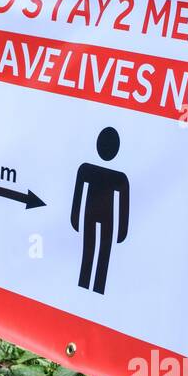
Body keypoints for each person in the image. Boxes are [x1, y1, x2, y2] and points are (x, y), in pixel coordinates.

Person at [70, 126, 129, 295]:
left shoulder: (116, 177)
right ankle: (87, 284)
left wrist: (121, 233)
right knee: (91, 250)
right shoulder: (87, 169)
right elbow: (78, 195)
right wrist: (75, 220)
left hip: (100, 218)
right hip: (94, 217)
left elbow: (123, 206)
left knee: (102, 253)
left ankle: (95, 287)